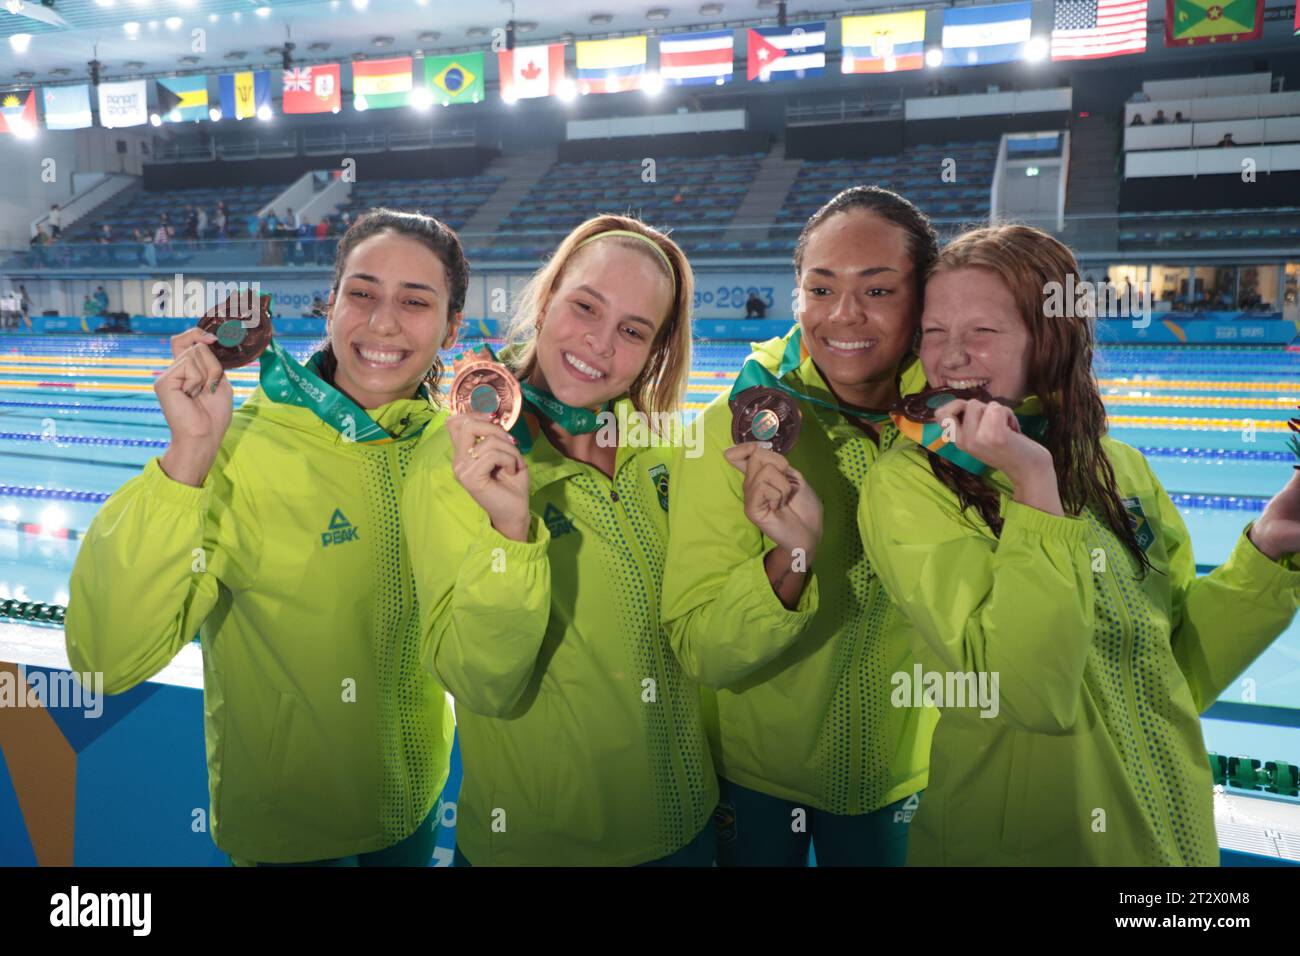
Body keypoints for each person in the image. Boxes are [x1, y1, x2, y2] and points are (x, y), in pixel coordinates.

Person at [859, 224, 1300, 865]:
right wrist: (1034, 483)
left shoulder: (1117, 467)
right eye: (933, 331)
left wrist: (1264, 555)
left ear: (1052, 339)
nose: (951, 356)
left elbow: (1169, 672)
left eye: (981, 331)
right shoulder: (909, 486)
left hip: (1167, 839)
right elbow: (1031, 692)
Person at [66, 209, 469, 866]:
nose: (384, 321)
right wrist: (189, 456)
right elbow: (105, 660)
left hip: (414, 805)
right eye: (361, 292)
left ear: (452, 325)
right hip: (291, 834)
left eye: (416, 301)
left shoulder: (446, 451)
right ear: (330, 303)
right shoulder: (239, 447)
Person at [401, 214, 716, 866]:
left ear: (656, 351)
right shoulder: (459, 458)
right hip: (544, 845)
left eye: (632, 330)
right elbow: (482, 685)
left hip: (687, 825)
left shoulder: (665, 451)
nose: (600, 343)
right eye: (585, 306)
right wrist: (510, 535)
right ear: (545, 302)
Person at [660, 186, 939, 867]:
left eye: (877, 291)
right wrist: (789, 565)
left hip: (904, 774)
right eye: (820, 289)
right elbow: (701, 649)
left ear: (925, 300)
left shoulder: (960, 435)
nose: (843, 315)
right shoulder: (731, 431)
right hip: (753, 779)